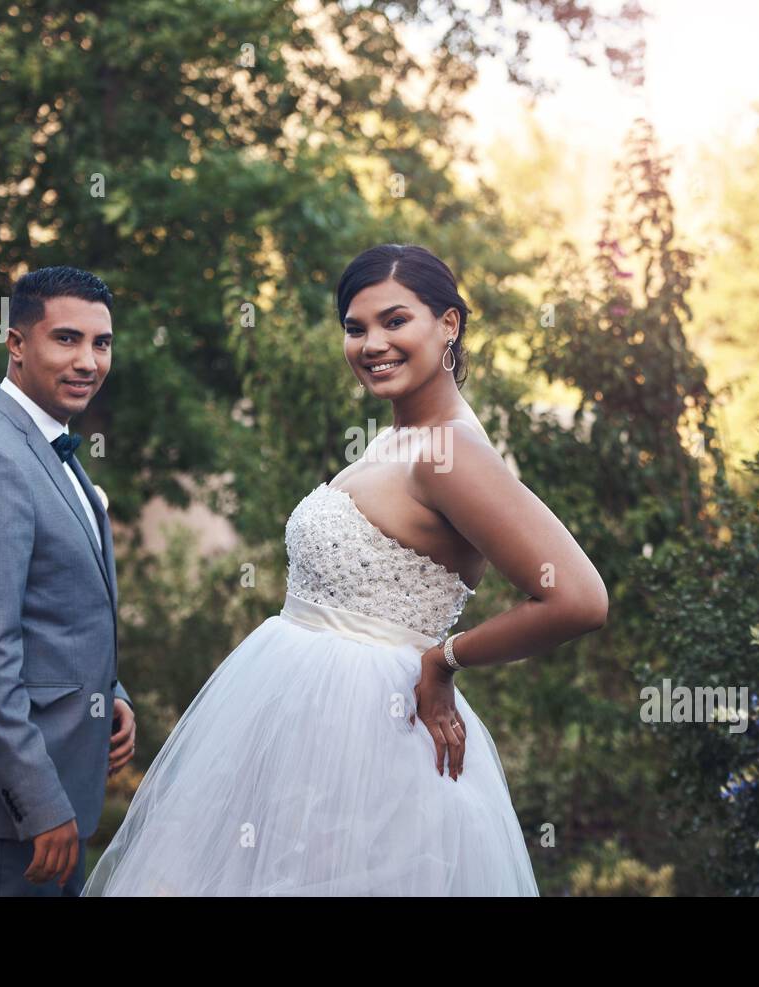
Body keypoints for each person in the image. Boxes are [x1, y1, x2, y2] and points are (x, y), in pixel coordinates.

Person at [83, 244, 606, 895]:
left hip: (371, 739)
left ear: (449, 325)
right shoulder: (396, 436)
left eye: (395, 321)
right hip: (295, 725)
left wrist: (446, 658)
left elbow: (578, 598)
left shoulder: (450, 453)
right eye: (355, 328)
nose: (372, 343)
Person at [0, 266, 137, 896]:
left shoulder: (48, 442)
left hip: (53, 781)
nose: (89, 361)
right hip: (3, 810)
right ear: (16, 345)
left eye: (102, 343)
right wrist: (39, 804)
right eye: (66, 339)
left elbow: (56, 608)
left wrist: (108, 692)